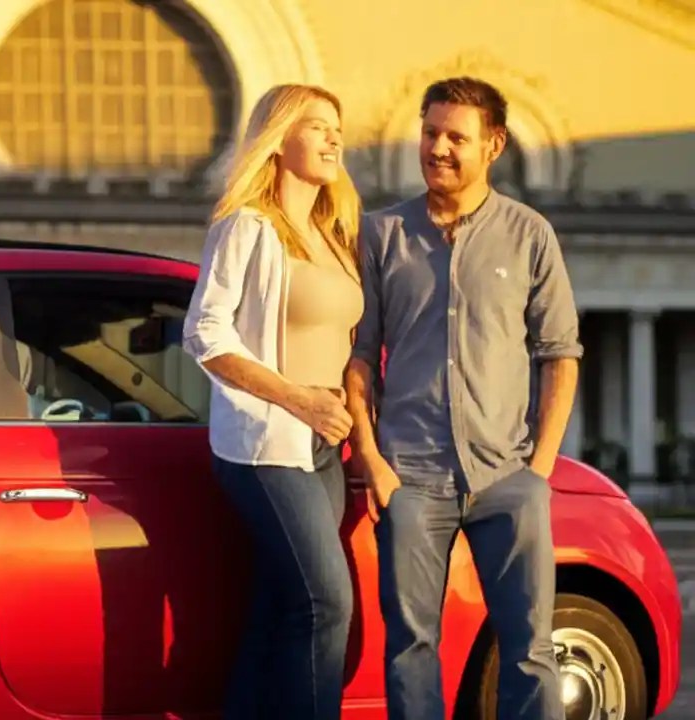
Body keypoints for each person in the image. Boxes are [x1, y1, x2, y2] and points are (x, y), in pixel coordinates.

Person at [344, 76, 580, 720]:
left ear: (494, 144)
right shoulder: (380, 234)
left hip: (509, 476)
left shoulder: (530, 234)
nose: (438, 148)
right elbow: (359, 357)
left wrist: (540, 472)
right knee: (410, 648)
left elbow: (560, 353)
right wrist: (374, 462)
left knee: (529, 648)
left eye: (456, 136)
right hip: (411, 478)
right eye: (430, 133)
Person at [182, 83, 363, 720]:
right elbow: (203, 331)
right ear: (278, 139)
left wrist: (356, 433)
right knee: (325, 605)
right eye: (315, 126)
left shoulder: (334, 235)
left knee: (279, 609)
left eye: (336, 126)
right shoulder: (248, 225)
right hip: (264, 447)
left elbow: (351, 348)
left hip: (324, 450)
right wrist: (296, 399)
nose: (333, 137)